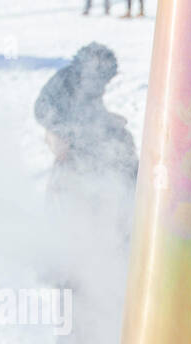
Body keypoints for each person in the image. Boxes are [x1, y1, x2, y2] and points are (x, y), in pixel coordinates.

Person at [34, 43, 139, 217]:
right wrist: (62, 132)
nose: (105, 85)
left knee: (124, 142)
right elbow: (41, 110)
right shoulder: (66, 81)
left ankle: (132, 201)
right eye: (104, 79)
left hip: (86, 135)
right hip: (69, 141)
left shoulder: (91, 85)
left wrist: (109, 119)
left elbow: (92, 112)